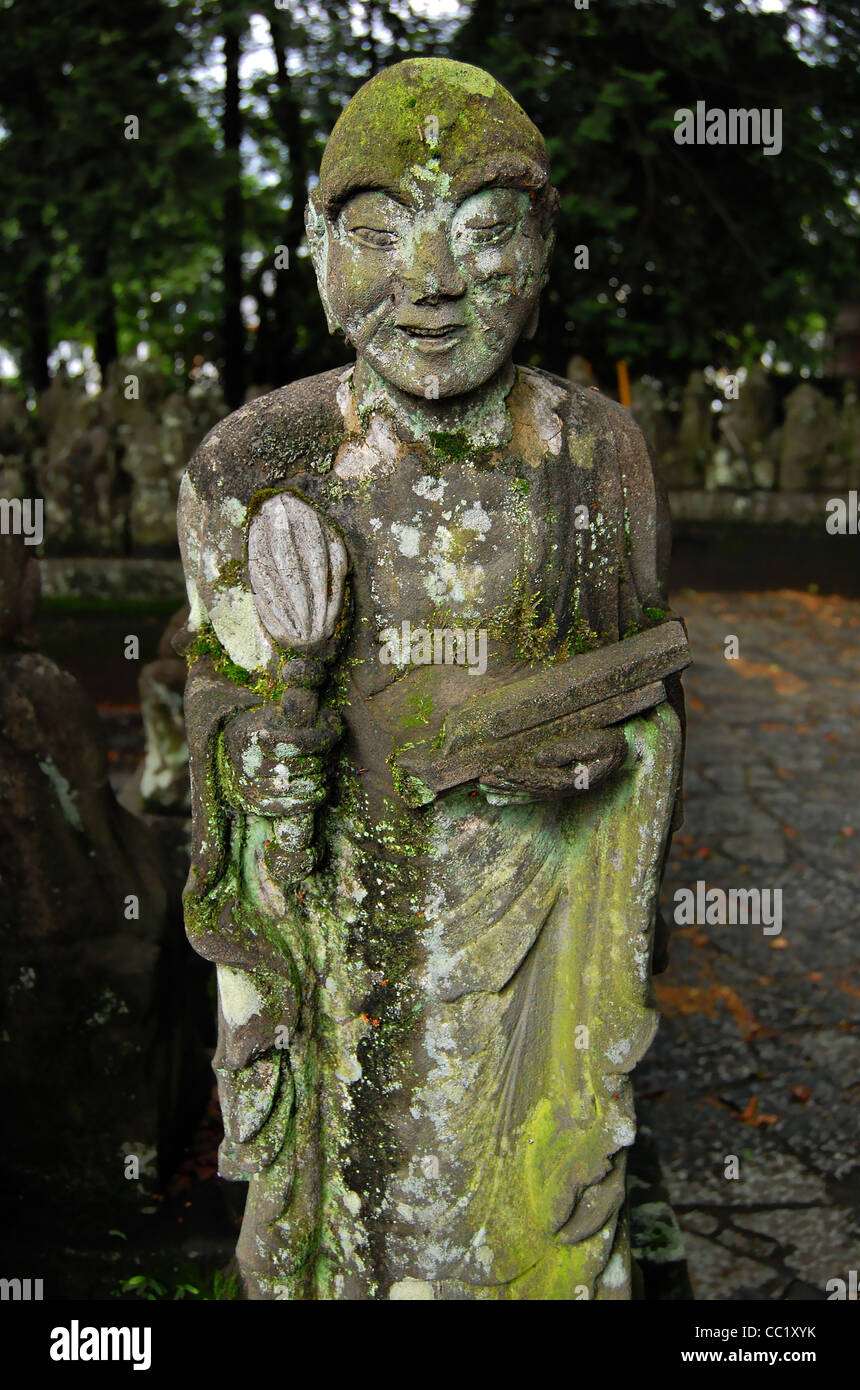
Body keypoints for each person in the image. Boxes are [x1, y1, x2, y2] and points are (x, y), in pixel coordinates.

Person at [178, 57, 685, 1300]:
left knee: (518, 1236)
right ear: (317, 249)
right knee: (348, 1237)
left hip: (535, 950)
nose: (431, 282)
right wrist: (253, 760)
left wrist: (602, 770)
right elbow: (210, 690)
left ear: (542, 242)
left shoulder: (592, 457)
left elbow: (649, 699)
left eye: (482, 228)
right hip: (341, 939)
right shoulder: (256, 464)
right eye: (378, 232)